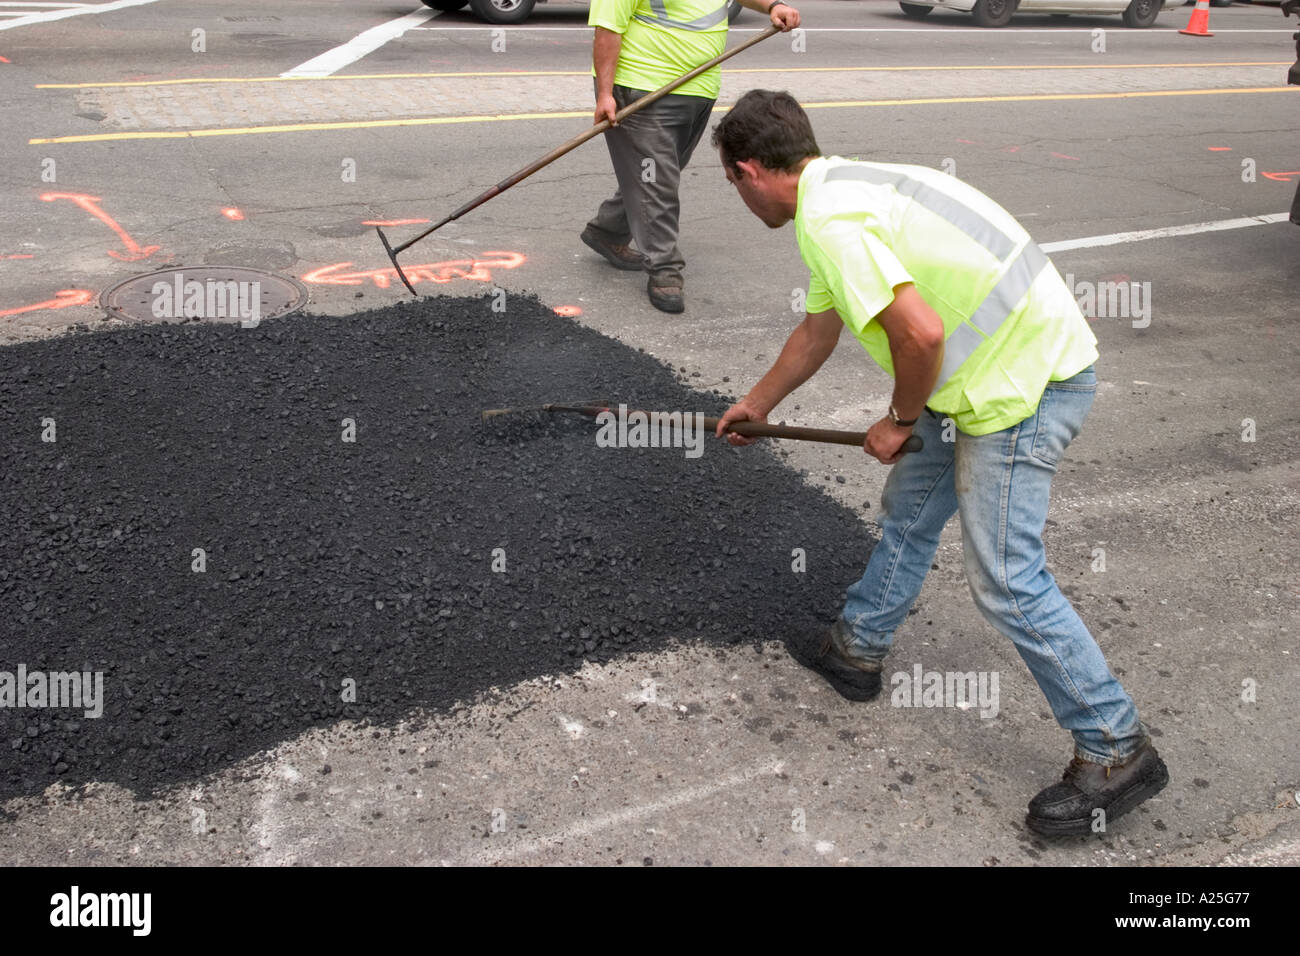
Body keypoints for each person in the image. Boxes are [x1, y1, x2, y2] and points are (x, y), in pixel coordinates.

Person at [711, 89, 1168, 836]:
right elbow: (818, 331)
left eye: (733, 183)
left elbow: (919, 335)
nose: (740, 197)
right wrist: (756, 405)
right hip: (990, 373)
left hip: (1024, 389)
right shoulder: (844, 190)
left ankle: (1116, 746)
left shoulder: (831, 220)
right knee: (912, 513)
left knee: (1008, 579)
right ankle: (857, 648)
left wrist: (898, 420)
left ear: (751, 169)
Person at [581, 0, 800, 314]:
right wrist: (605, 94)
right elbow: (608, 29)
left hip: (698, 88)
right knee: (657, 178)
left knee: (661, 172)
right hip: (641, 87)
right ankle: (664, 268)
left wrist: (771, 6)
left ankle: (608, 231)